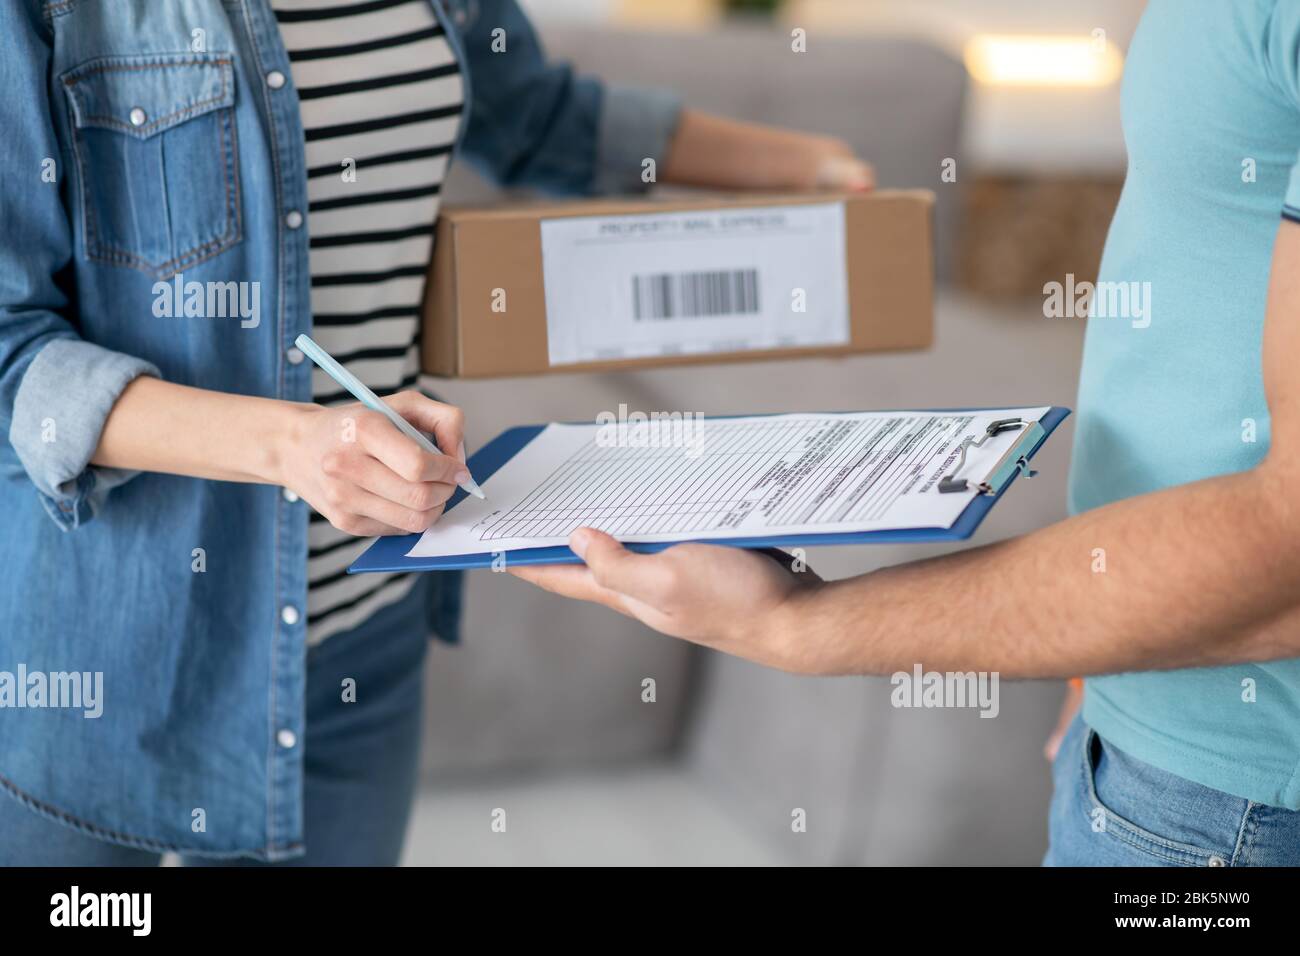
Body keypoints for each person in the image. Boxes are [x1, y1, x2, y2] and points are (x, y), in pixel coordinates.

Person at [0, 0, 871, 865]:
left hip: (364, 635)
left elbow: (540, 116)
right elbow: (13, 351)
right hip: (102, 647)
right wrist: (292, 445)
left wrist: (803, 164)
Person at [513, 0, 1300, 866]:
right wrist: (1114, 646)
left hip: (1234, 810)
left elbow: (1289, 557)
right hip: (1162, 735)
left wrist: (800, 627)